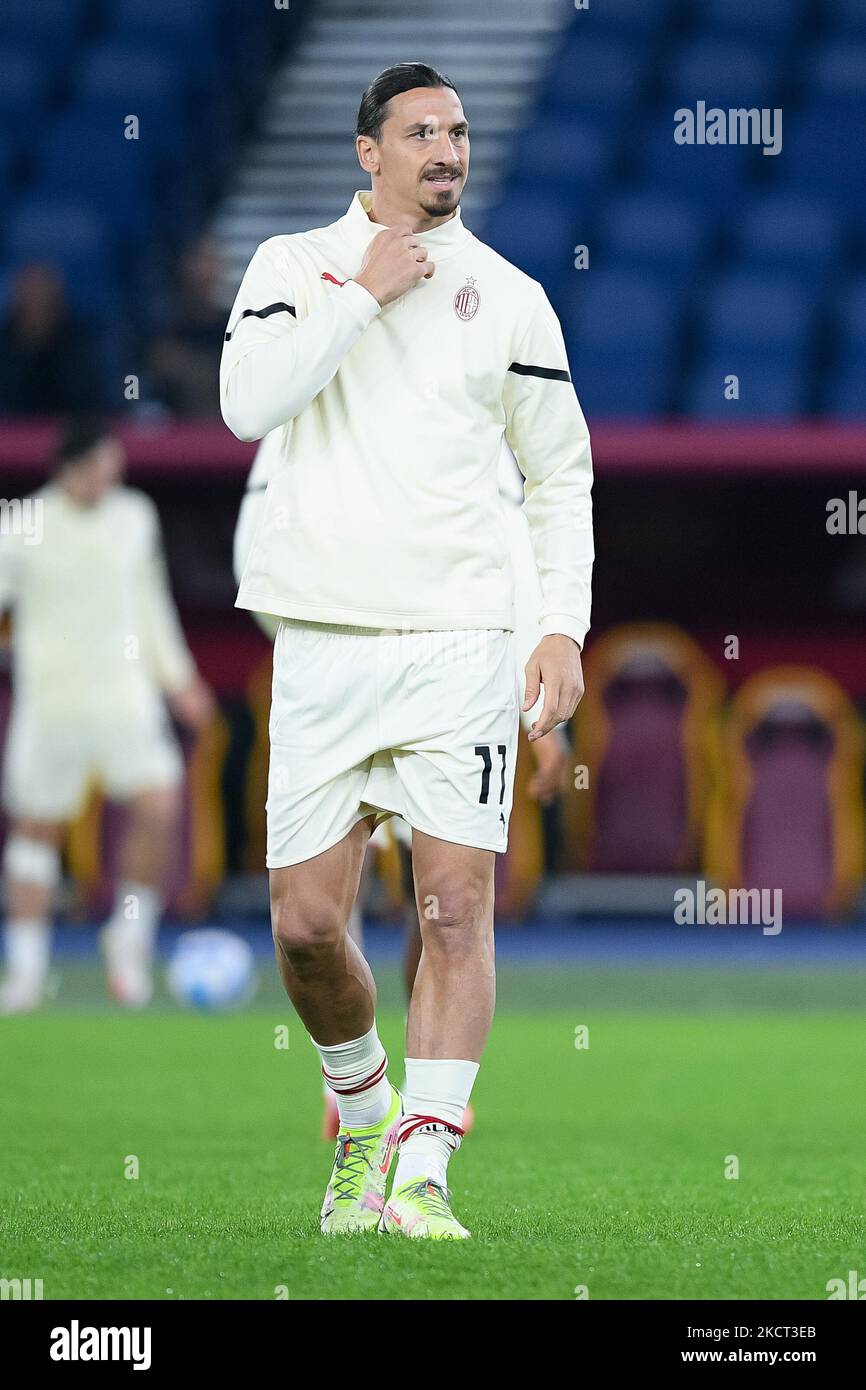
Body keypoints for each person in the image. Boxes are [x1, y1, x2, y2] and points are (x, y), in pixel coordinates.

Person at [220, 63, 593, 1239]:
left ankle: (423, 1171)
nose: (446, 149)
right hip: (323, 644)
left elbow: (559, 472)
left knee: (452, 907)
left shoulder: (512, 297)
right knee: (303, 928)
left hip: (456, 645)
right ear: (366, 152)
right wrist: (358, 294)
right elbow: (245, 406)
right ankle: (363, 1109)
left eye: (459, 130)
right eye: (421, 131)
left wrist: (558, 625)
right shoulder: (292, 266)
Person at [233, 430, 573, 1142]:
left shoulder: (473, 405)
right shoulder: (307, 404)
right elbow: (257, 548)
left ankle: (428, 1105)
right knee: (314, 915)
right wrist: (314, 645)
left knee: (445, 897)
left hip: (451, 677)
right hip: (336, 677)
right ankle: (351, 1087)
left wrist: (529, 695)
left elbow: (511, 553)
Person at [0, 416, 214, 1013]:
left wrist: (180, 681)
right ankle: (26, 971)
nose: (109, 479)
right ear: (68, 470)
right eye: (98, 468)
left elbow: (151, 604)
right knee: (35, 832)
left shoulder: (134, 517)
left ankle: (129, 939)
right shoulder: (24, 523)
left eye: (114, 467)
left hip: (125, 696)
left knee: (159, 806)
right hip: (51, 703)